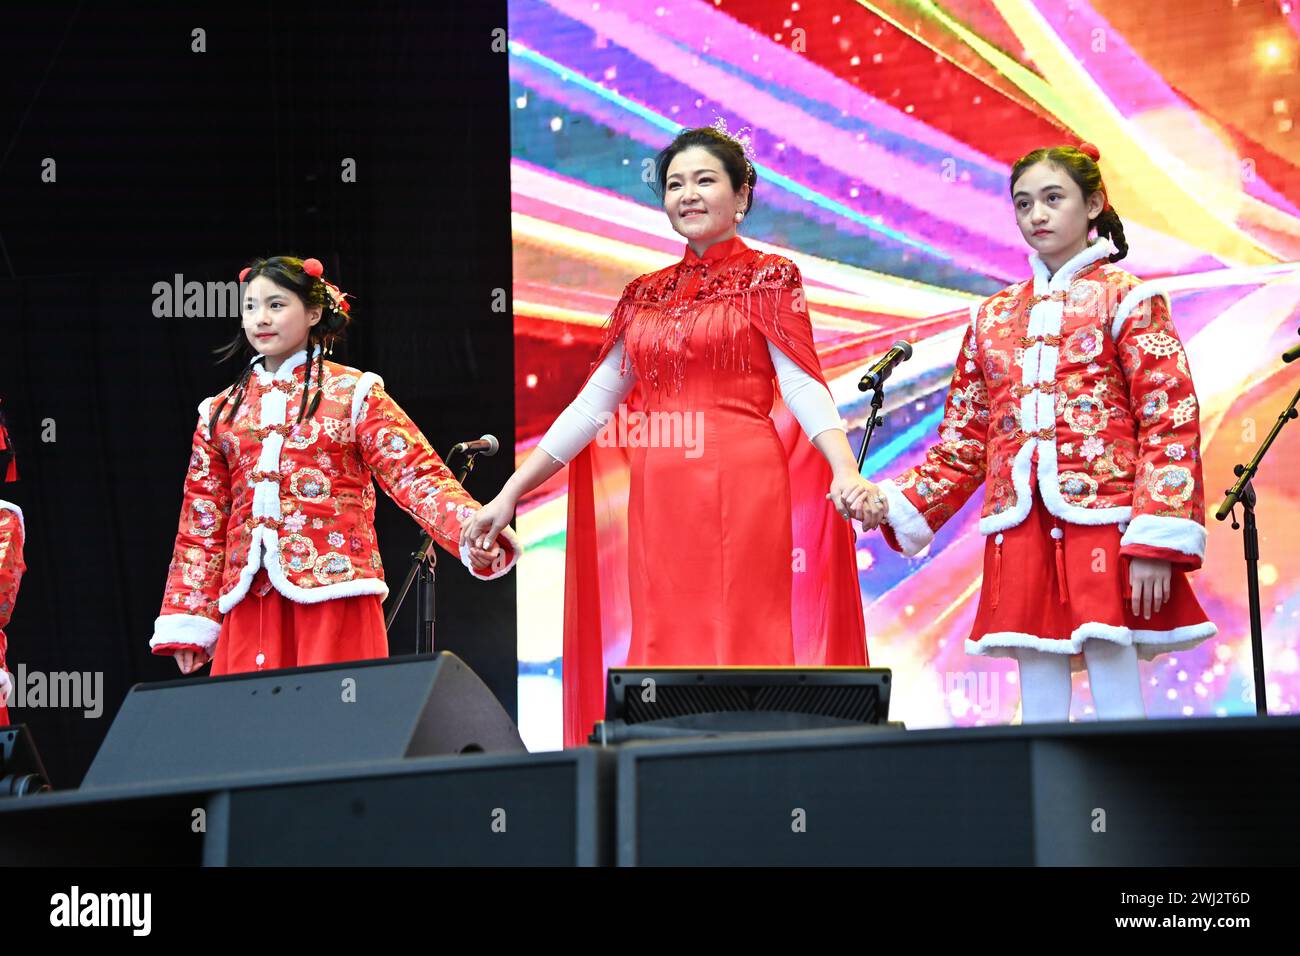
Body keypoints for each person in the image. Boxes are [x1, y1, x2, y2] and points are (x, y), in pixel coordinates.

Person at [464, 124, 873, 746]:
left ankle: (752, 769)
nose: (687, 194)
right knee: (664, 631)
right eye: (674, 184)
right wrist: (509, 494)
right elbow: (591, 407)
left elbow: (802, 384)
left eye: (705, 180)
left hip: (745, 476)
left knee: (743, 626)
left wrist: (843, 467)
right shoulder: (644, 295)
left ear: (741, 196)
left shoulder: (770, 276)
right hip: (661, 487)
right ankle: (669, 776)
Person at [857, 143, 1216, 722]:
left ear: (1094, 202)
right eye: (1024, 204)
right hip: (1020, 524)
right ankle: (1050, 802)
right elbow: (967, 441)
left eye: (1053, 199)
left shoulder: (1129, 298)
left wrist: (1157, 540)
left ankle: (1124, 806)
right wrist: (895, 502)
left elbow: (1168, 417)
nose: (1037, 216)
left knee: (1111, 663)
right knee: (1036, 672)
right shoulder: (993, 317)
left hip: (1108, 520)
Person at [151, 256, 519, 675]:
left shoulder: (354, 393)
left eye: (276, 305)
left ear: (313, 312)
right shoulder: (219, 413)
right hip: (249, 601)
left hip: (336, 595)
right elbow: (200, 523)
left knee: (336, 726)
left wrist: (474, 530)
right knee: (249, 730)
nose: (260, 319)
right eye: (250, 307)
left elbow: (416, 474)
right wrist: (192, 620)